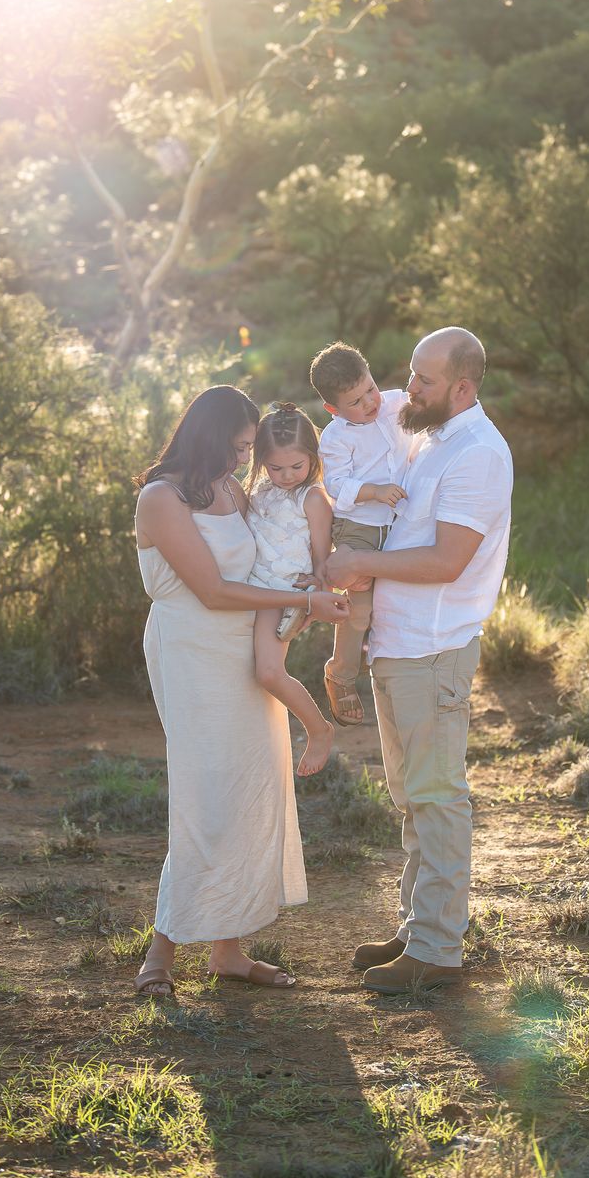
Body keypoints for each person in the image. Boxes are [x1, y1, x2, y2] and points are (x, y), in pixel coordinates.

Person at [132, 385, 350, 995]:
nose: (242, 460)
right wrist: (302, 600)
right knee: (205, 796)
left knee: (253, 788)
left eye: (248, 449)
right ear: (208, 438)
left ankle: (228, 951)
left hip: (246, 652)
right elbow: (213, 591)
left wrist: (309, 581)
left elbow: (271, 551)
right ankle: (162, 951)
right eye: (237, 447)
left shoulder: (232, 489)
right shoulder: (161, 498)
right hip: (193, 653)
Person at [325, 328, 513, 995]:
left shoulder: (479, 454)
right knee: (411, 797)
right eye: (410, 373)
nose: (410, 388)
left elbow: (446, 559)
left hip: (433, 651)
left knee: (436, 796)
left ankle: (437, 949)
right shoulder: (429, 435)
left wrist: (359, 563)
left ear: (462, 387)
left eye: (425, 379)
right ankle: (416, 927)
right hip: (397, 648)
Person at [309, 342, 416, 727]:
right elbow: (336, 484)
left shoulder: (393, 403)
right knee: (362, 609)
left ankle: (402, 674)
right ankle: (341, 673)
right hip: (359, 526)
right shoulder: (337, 438)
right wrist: (373, 491)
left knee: (398, 599)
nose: (369, 403)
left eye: (370, 388)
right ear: (333, 410)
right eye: (355, 401)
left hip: (399, 520)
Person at [246, 402, 337, 777]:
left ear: (312, 458)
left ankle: (318, 729)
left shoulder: (313, 498)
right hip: (247, 590)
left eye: (296, 467)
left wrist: (315, 599)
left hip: (282, 593)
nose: (286, 476)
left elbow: (322, 556)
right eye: (276, 467)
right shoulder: (255, 491)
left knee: (268, 672)